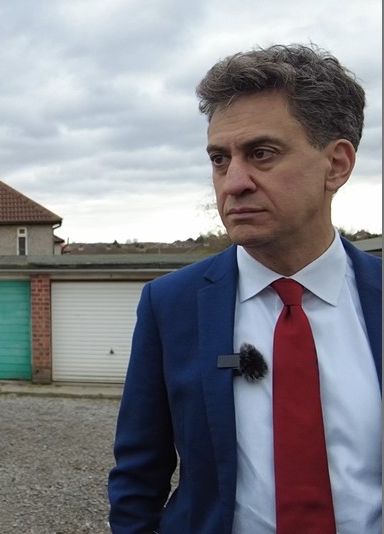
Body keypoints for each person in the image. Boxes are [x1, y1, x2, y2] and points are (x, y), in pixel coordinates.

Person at [108, 43, 381, 533]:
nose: (233, 182)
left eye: (261, 154)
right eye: (219, 159)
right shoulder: (171, 306)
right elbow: (137, 479)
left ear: (336, 164)